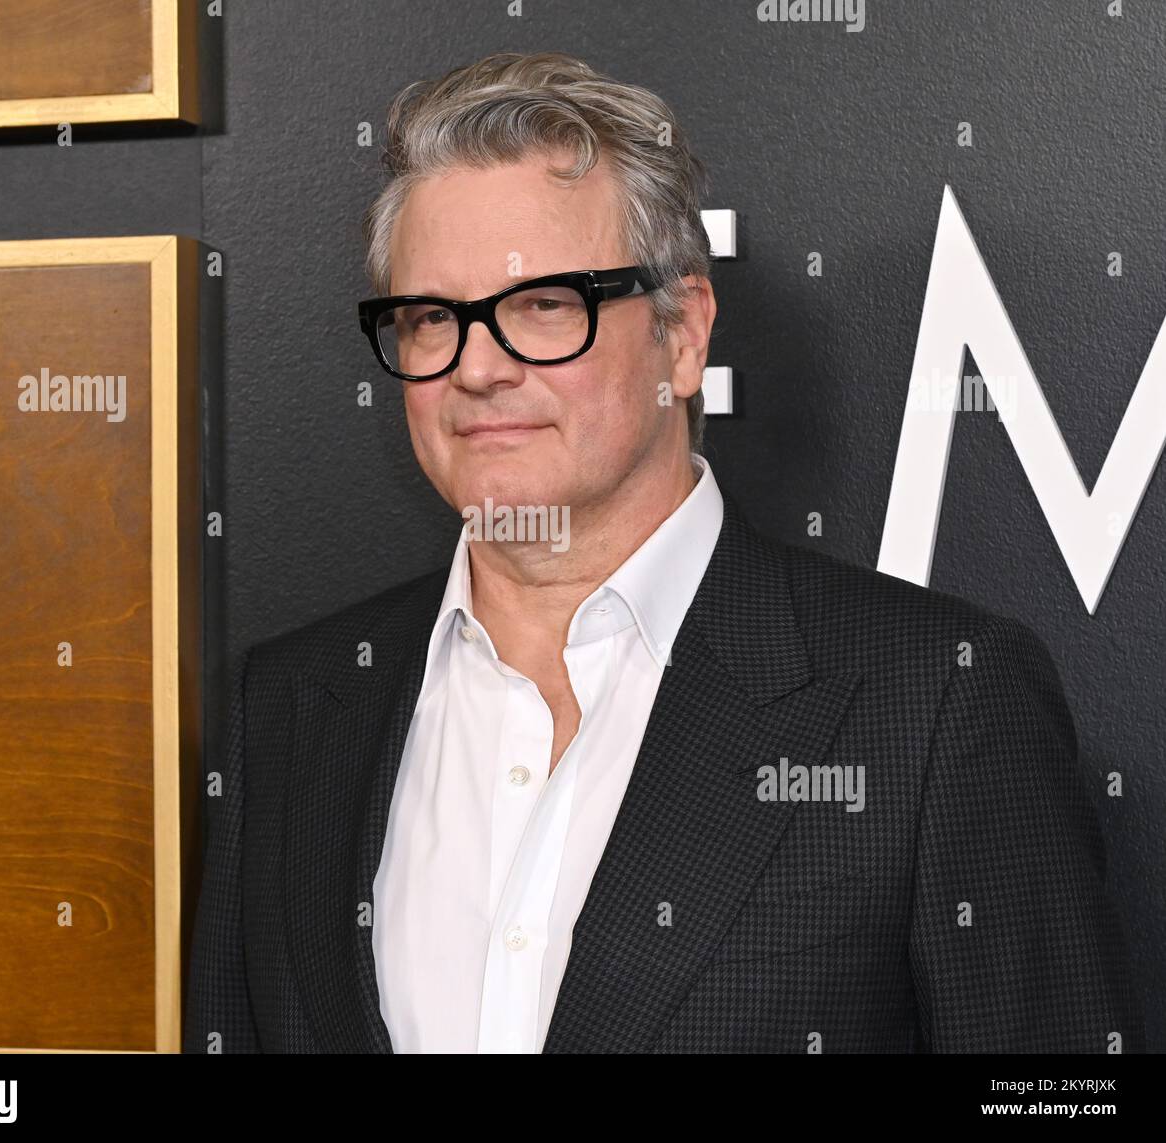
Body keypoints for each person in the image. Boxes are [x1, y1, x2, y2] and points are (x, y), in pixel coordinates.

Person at [185, 51, 1142, 1053]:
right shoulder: (291, 707)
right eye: (431, 320)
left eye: (543, 306)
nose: (477, 367)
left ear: (682, 336)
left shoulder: (935, 702)